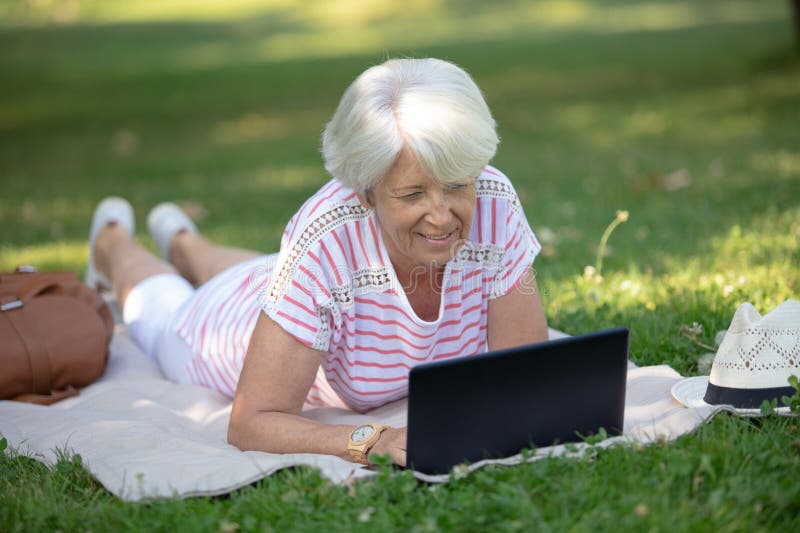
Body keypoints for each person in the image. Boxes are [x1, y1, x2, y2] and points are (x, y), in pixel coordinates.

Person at [86, 58, 548, 468]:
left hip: (287, 279)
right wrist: (370, 440)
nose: (443, 215)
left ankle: (185, 242)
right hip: (225, 323)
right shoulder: (323, 241)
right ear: (366, 192)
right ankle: (112, 244)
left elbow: (523, 374)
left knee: (259, 269)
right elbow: (250, 423)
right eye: (412, 194)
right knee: (161, 302)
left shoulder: (492, 200)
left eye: (455, 184)